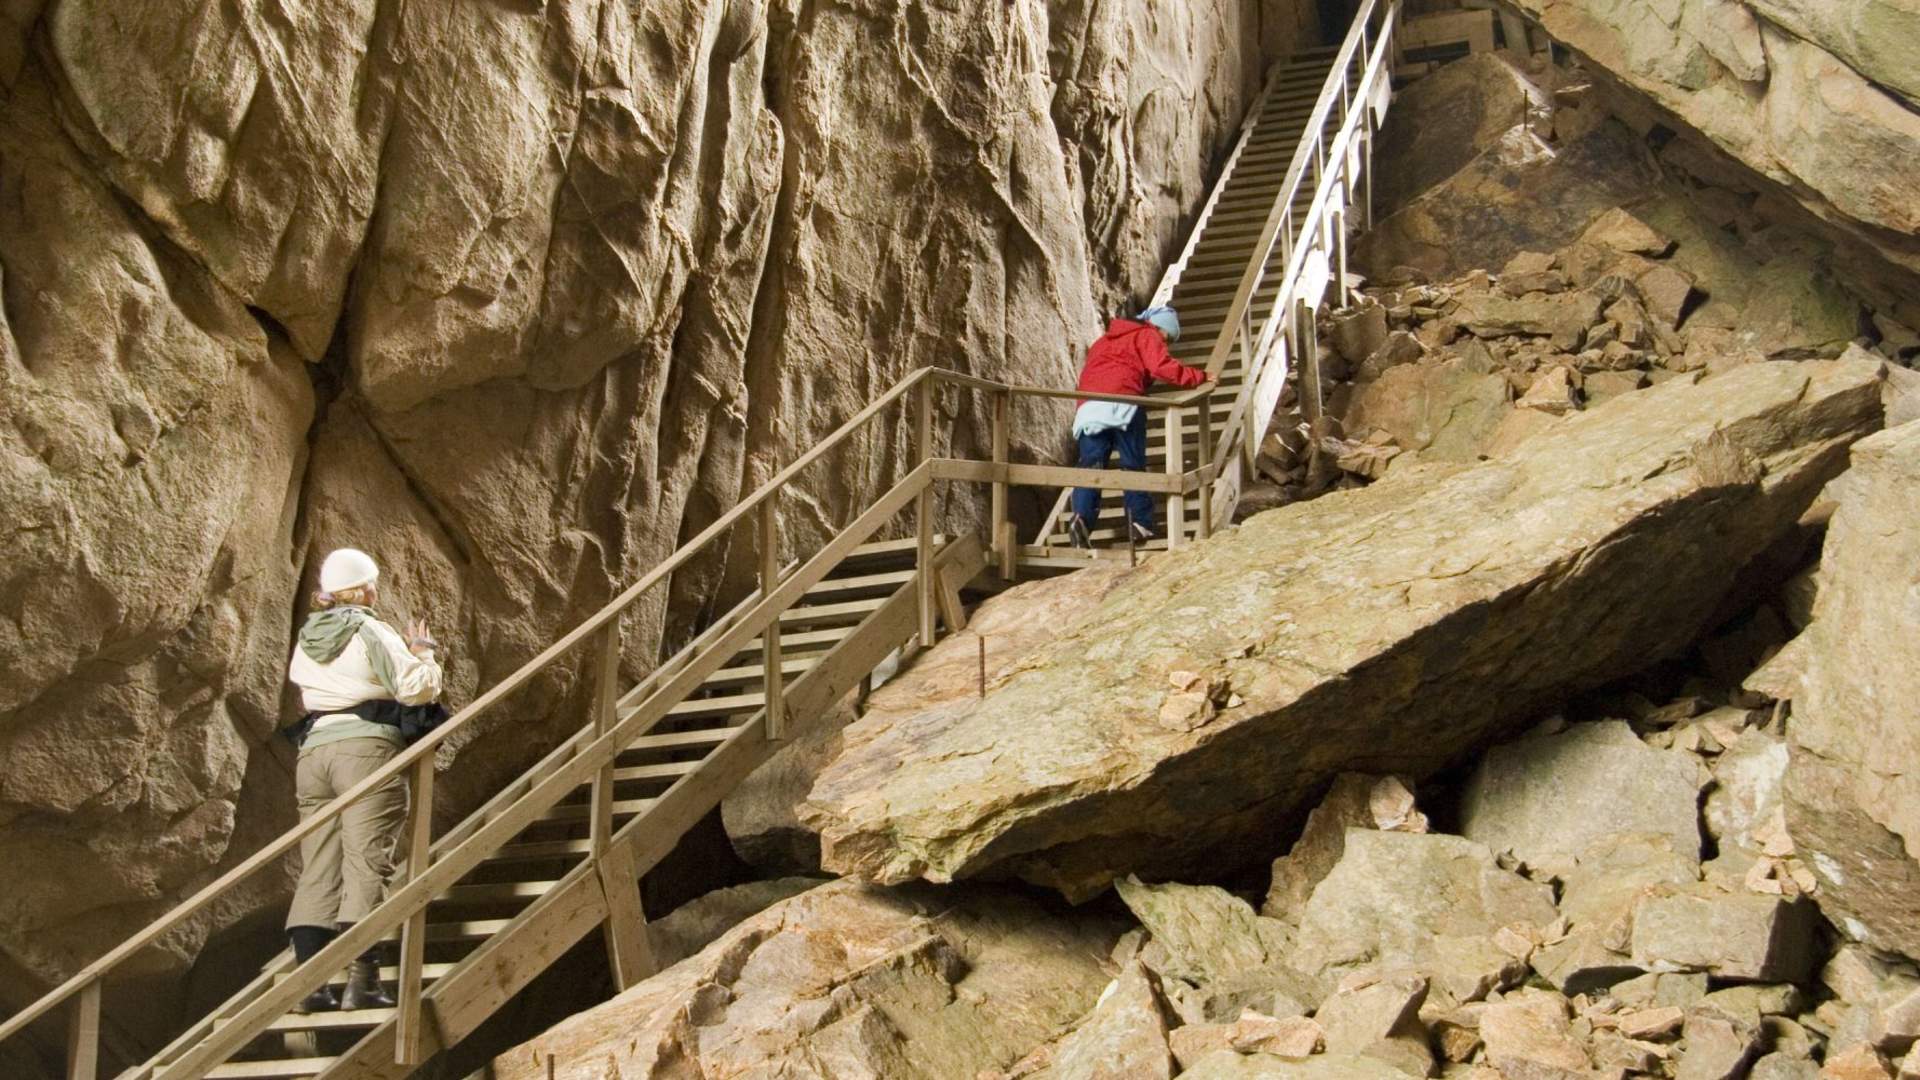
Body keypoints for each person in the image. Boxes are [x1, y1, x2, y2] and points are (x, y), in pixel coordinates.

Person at [284, 548, 444, 1013]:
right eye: (374, 582)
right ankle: (363, 982)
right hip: (364, 750)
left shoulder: (308, 635)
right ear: (365, 588)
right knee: (366, 860)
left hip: (314, 754)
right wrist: (423, 654)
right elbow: (415, 688)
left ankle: (311, 987)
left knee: (318, 865)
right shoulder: (369, 628)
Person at [1068, 305, 1210, 547]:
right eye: (1168, 337)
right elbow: (1160, 366)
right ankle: (1140, 523)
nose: (1166, 344)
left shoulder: (1103, 340)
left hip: (1090, 406)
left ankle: (1081, 517)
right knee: (1131, 463)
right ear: (1161, 327)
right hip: (1124, 403)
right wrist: (1200, 377)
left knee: (1091, 464)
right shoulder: (1147, 334)